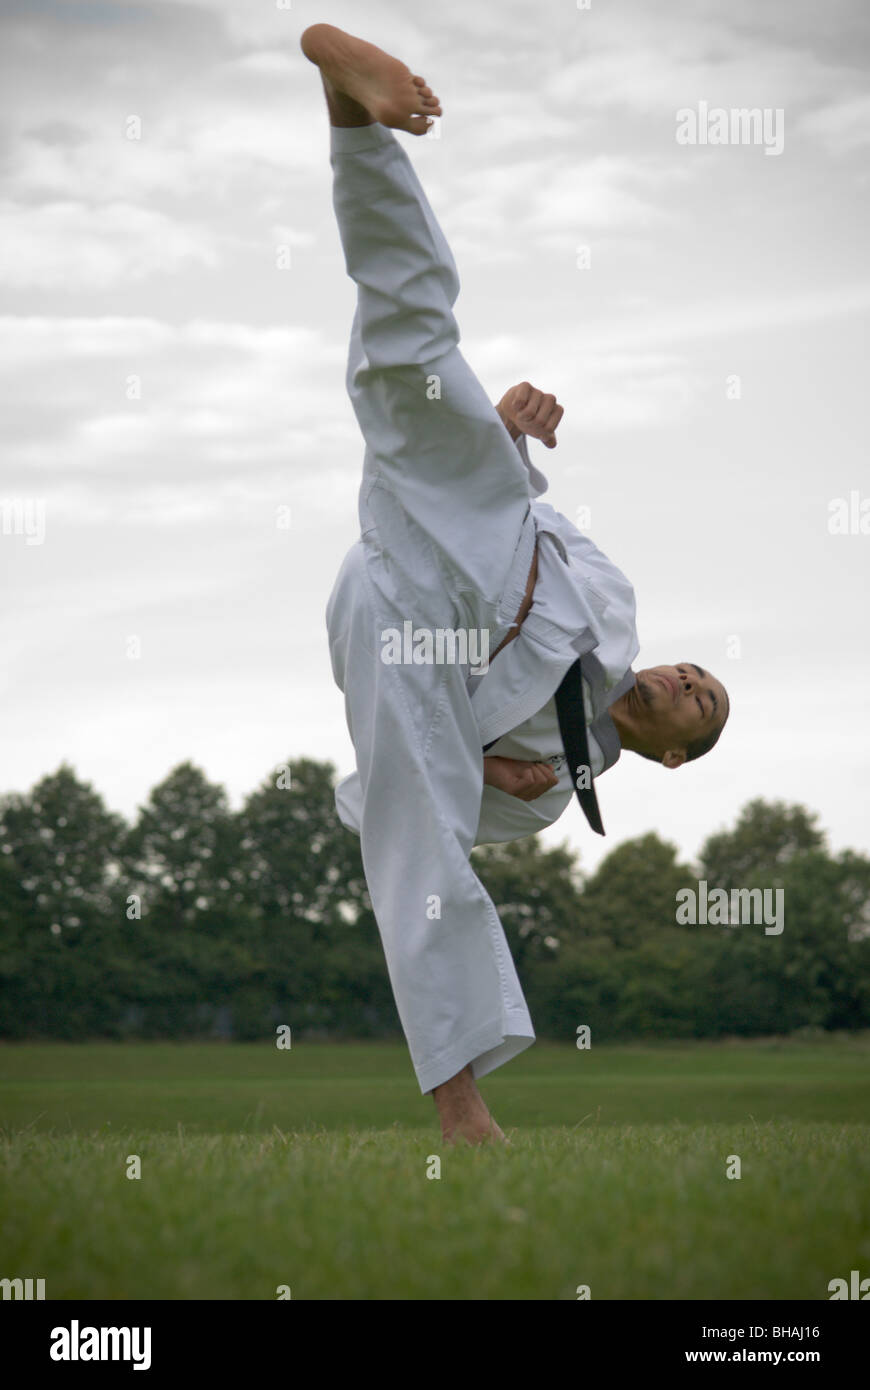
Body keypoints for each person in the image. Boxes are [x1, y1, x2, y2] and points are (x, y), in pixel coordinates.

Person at [301, 24, 729, 1145]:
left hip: (407, 655)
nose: (689, 678)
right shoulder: (621, 605)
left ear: (673, 757)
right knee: (413, 361)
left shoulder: (545, 802)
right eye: (701, 670)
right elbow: (523, 520)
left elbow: (441, 795)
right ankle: (354, 112)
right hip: (453, 557)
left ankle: (460, 1104)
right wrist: (501, 440)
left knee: (425, 851)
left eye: (702, 703)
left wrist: (502, 755)